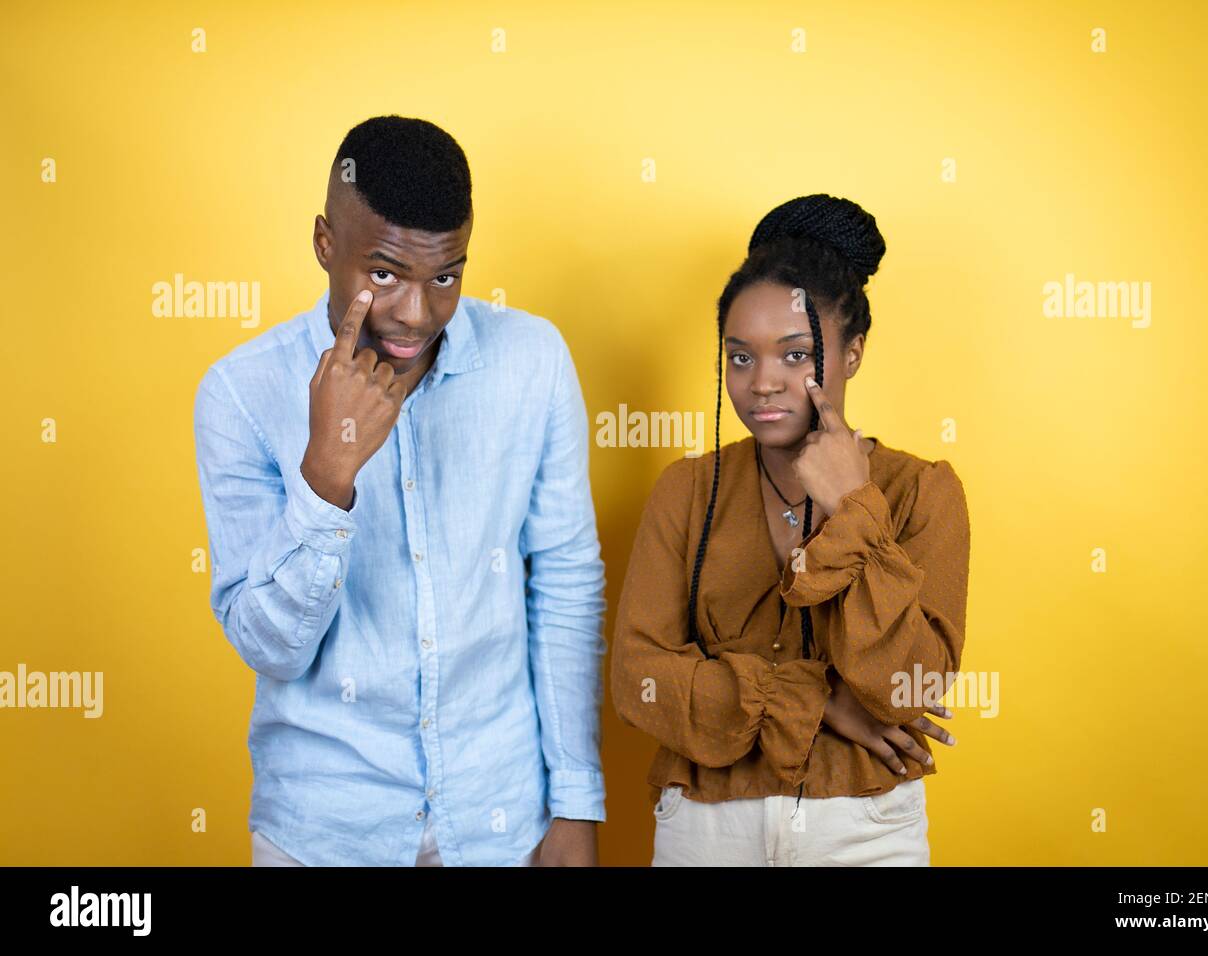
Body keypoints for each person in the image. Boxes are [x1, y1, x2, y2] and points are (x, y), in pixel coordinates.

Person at [193, 115, 606, 866]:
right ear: (325, 244)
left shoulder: (533, 361)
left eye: (445, 275)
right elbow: (270, 648)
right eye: (383, 274)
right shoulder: (241, 392)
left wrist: (576, 803)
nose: (417, 313)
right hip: (323, 833)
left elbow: (566, 584)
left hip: (502, 819)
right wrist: (326, 475)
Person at [611, 194, 971, 866]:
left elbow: (909, 689)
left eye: (795, 354)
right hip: (703, 826)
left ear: (854, 352)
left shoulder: (920, 491)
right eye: (740, 357)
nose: (763, 383)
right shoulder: (685, 491)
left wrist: (855, 505)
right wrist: (818, 703)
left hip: (866, 829)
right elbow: (640, 680)